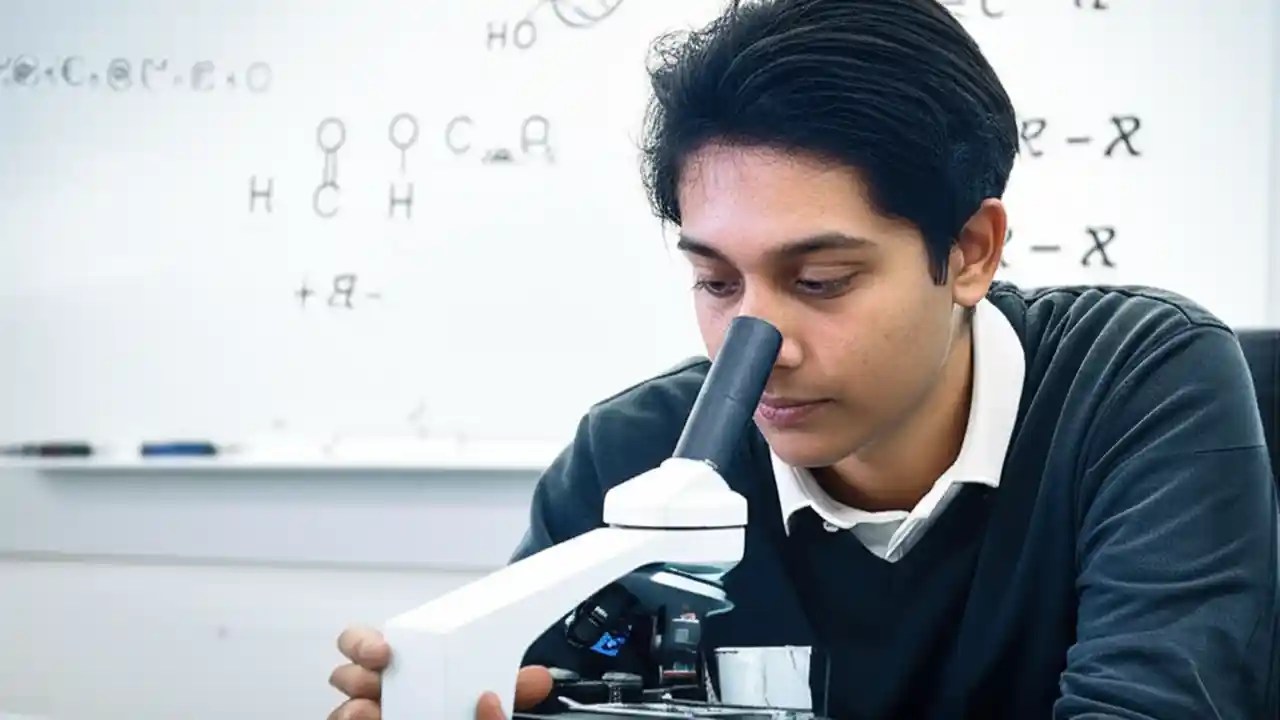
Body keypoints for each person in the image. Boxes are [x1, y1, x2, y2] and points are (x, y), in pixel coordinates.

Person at [326, 0, 1280, 717]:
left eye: (821, 280)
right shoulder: (630, 458)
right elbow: (545, 685)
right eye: (715, 283)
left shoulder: (1138, 387)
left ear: (971, 252)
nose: (758, 345)